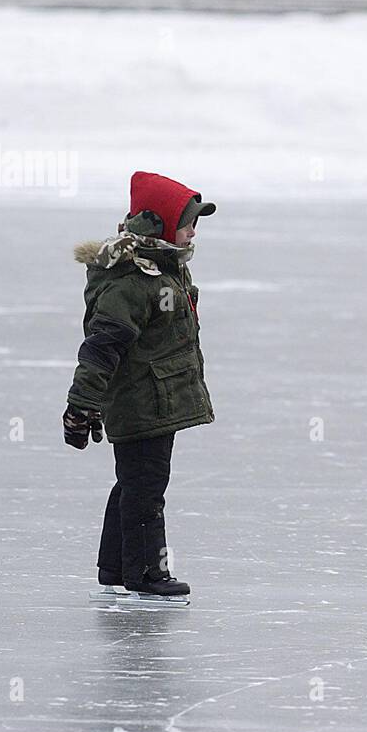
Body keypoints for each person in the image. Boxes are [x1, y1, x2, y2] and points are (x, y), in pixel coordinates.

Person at [63, 171, 216, 598]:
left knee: (133, 482)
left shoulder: (164, 266)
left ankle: (115, 566)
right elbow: (101, 347)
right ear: (160, 225)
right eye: (187, 223)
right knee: (146, 487)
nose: (192, 232)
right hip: (141, 401)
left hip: (156, 398)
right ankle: (146, 572)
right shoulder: (133, 281)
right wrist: (81, 404)